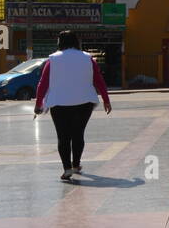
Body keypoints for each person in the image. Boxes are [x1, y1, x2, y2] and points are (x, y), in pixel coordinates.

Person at [33, 30, 111, 182]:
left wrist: (38, 104)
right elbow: (98, 80)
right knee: (78, 134)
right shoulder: (88, 59)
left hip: (59, 102)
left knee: (63, 137)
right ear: (77, 41)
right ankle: (76, 165)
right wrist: (106, 100)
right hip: (84, 102)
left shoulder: (53, 60)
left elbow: (43, 83)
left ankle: (67, 169)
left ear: (60, 42)